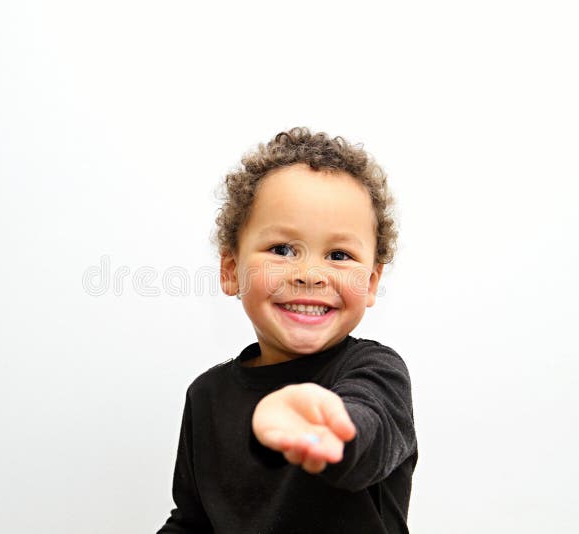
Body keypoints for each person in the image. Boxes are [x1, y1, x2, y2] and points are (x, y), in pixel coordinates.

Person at [157, 127, 418, 534]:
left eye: (339, 255)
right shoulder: (205, 396)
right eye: (282, 250)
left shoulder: (375, 371)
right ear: (231, 271)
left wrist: (335, 426)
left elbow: (371, 433)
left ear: (369, 282)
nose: (309, 275)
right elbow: (194, 522)